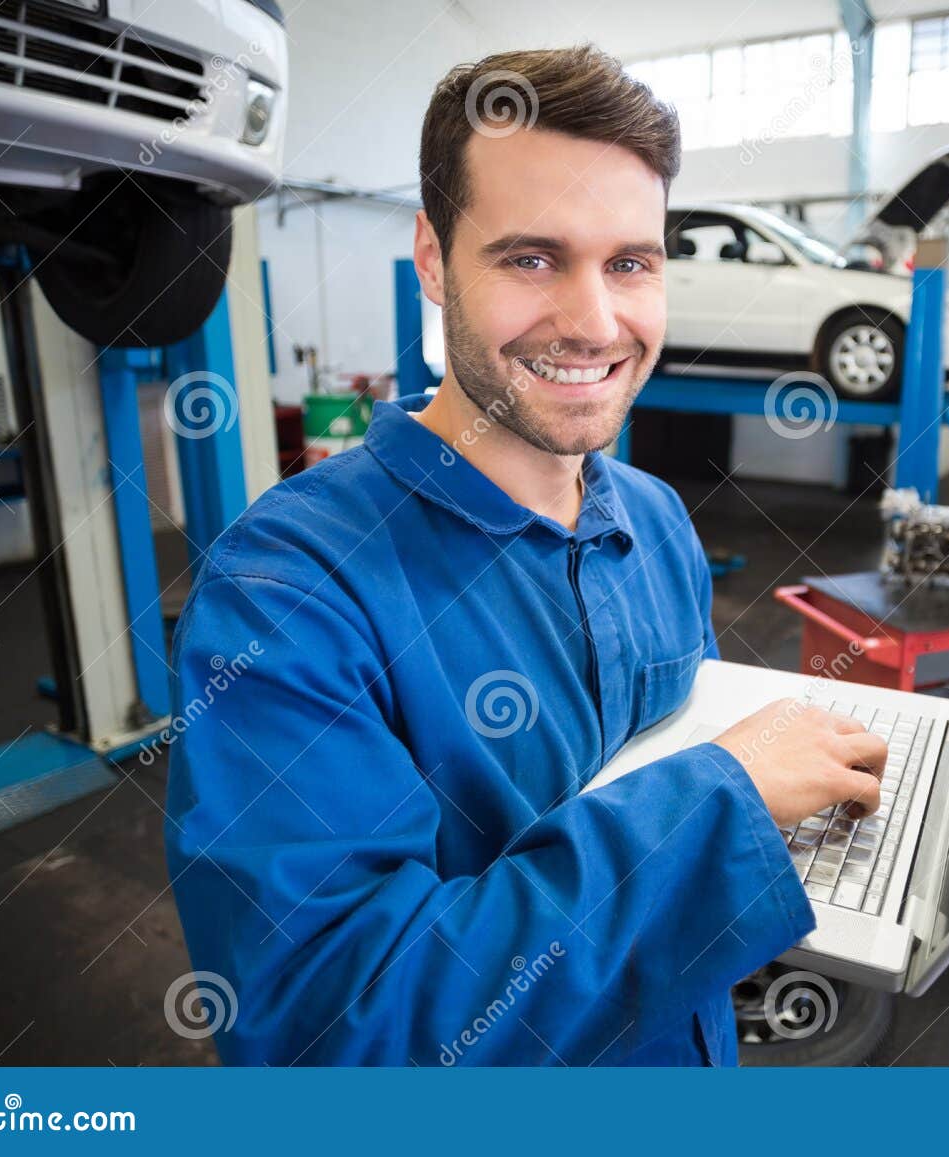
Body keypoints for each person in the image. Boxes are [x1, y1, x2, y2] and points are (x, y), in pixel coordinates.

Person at [164, 44, 887, 1067]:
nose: (594, 323)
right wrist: (720, 806)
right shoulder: (288, 592)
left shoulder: (655, 521)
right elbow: (329, 1036)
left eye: (630, 262)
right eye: (531, 257)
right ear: (431, 258)